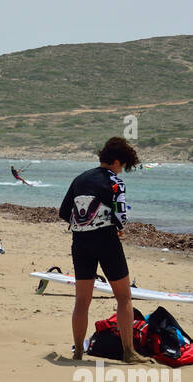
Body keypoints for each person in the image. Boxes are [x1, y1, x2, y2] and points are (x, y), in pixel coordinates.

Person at [58, 137, 149, 364]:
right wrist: (117, 228)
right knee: (124, 297)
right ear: (116, 161)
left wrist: (84, 223)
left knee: (82, 300)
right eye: (123, 166)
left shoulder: (79, 179)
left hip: (80, 243)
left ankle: (78, 351)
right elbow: (121, 217)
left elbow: (63, 212)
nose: (121, 171)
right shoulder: (115, 182)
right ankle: (128, 352)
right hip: (106, 242)